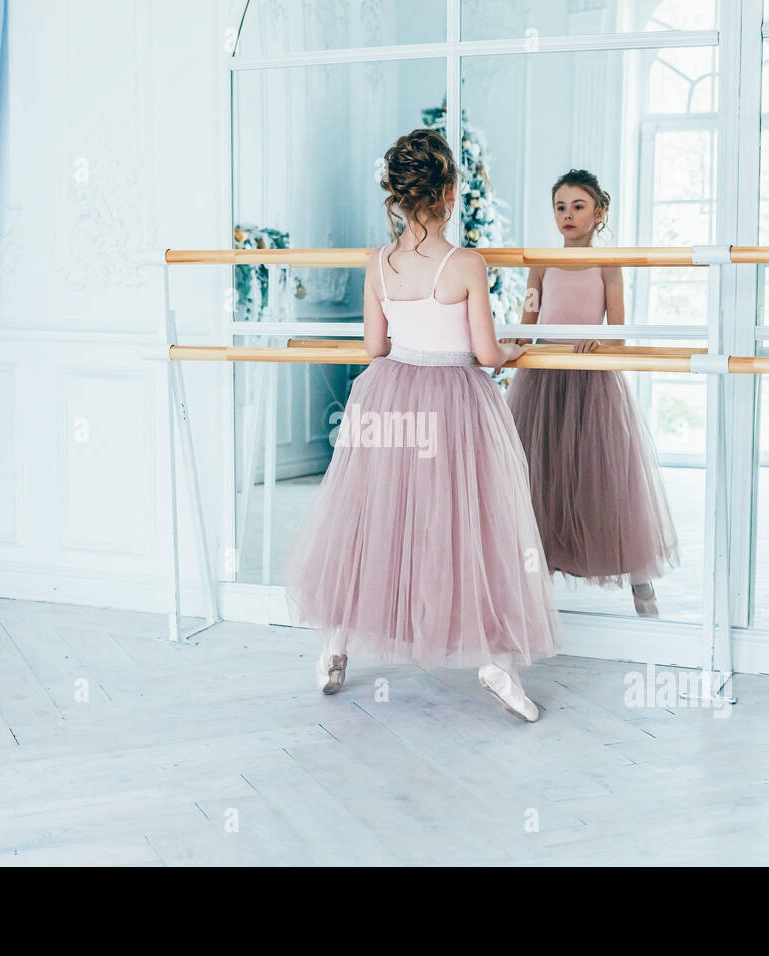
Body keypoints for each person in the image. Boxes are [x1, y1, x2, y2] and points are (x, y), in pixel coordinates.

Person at [285, 128, 563, 722]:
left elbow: (373, 345)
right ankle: (494, 662)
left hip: (389, 395)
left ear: (400, 194)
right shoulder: (465, 263)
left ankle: (334, 647)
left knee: (371, 520)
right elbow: (487, 354)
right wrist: (513, 350)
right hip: (453, 400)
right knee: (473, 525)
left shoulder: (378, 263)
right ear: (448, 194)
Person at [505, 169, 680, 616]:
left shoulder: (609, 264)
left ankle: (639, 581)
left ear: (598, 212)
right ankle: (529, 577)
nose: (567, 215)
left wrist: (597, 342)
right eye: (560, 207)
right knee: (536, 475)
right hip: (544, 381)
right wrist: (515, 347)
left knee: (605, 478)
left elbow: (618, 334)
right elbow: (528, 322)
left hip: (591, 382)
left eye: (577, 206)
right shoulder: (541, 262)